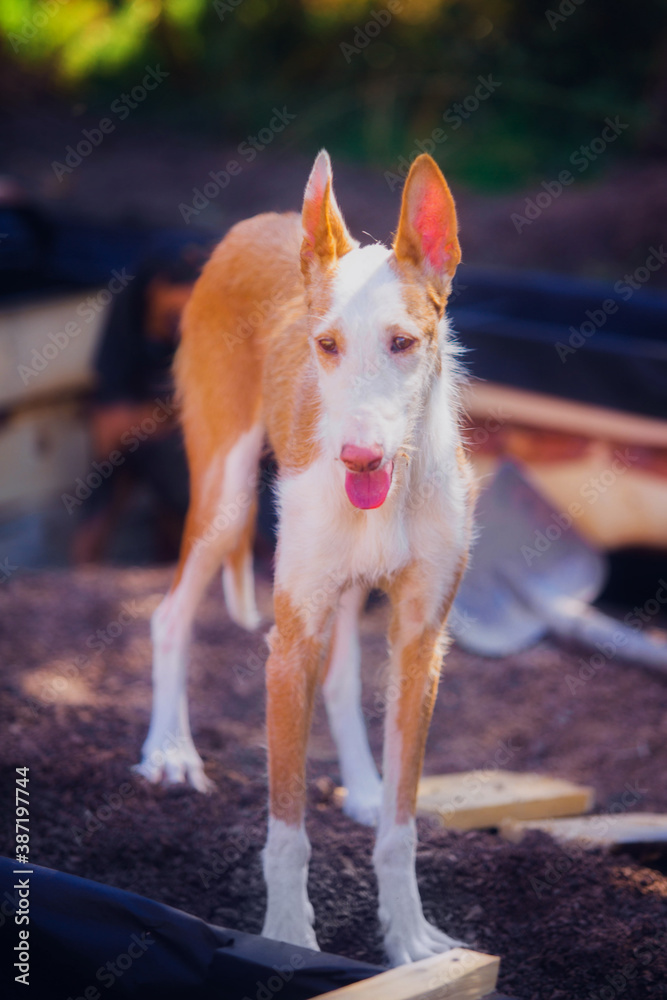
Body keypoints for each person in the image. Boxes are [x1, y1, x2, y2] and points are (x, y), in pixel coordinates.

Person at [72, 234, 211, 563]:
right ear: (156, 287)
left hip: (185, 443)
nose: (190, 309)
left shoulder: (209, 323)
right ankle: (85, 571)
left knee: (180, 474)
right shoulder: (129, 312)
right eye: (184, 296)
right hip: (146, 436)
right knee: (112, 462)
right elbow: (108, 425)